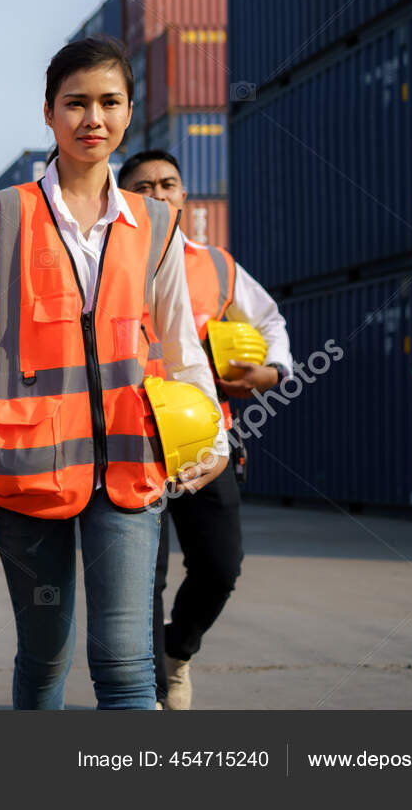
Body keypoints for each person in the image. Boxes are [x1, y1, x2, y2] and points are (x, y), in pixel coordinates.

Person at [0, 36, 225, 710]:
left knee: (126, 664)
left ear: (129, 112)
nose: (92, 118)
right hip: (25, 465)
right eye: (75, 103)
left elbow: (182, 347)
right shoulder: (5, 214)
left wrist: (213, 438)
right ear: (49, 112)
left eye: (109, 102)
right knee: (45, 656)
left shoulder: (157, 224)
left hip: (130, 463)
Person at [119, 149, 293, 711]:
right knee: (142, 581)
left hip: (204, 444)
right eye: (143, 186)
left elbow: (269, 319)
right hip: (128, 444)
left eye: (167, 183)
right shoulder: (102, 261)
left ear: (184, 195)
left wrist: (273, 371)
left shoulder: (217, 265)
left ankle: (178, 650)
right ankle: (147, 697)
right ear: (122, 197)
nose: (157, 194)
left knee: (220, 567)